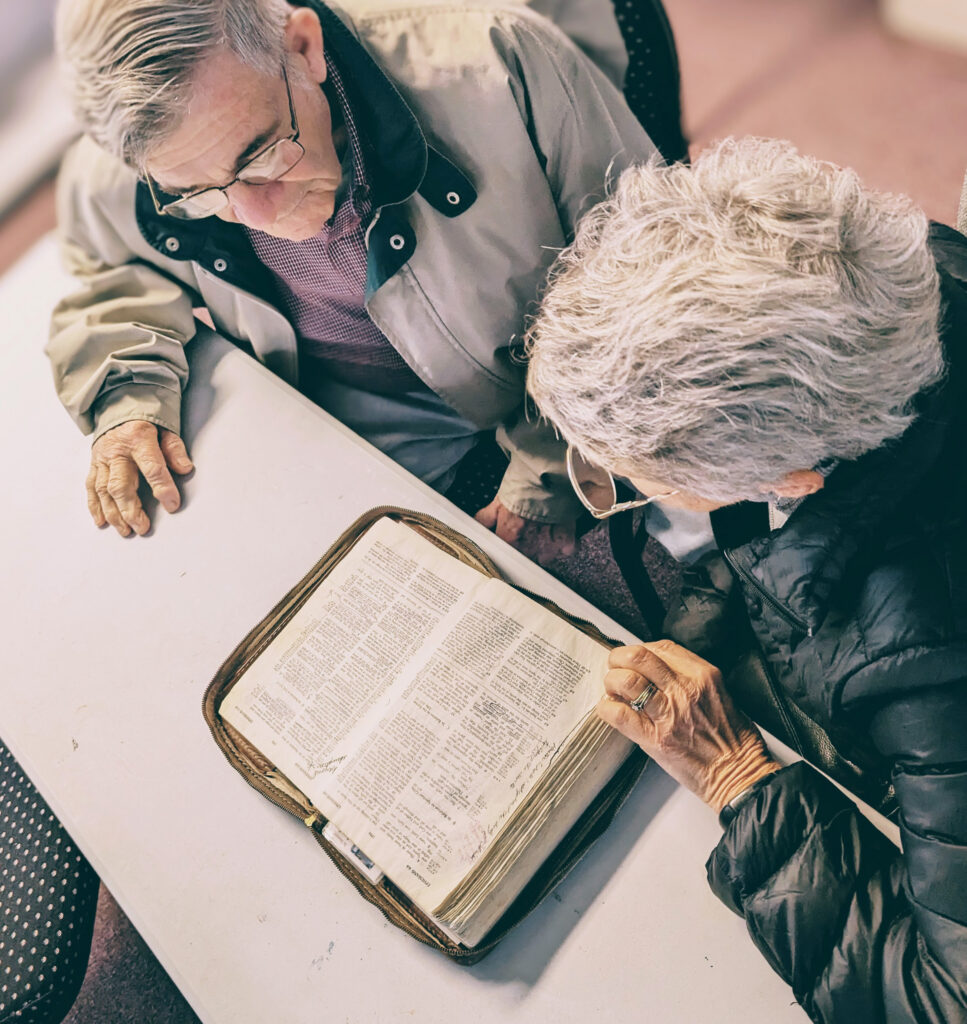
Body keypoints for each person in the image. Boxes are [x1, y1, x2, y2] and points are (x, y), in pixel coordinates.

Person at [525, 137, 967, 1021]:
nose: (620, 487)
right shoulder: (913, 273)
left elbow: (937, 999)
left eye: (638, 477)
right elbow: (766, 544)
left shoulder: (926, 667)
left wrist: (740, 783)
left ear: (790, 481)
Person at [48, 0, 658, 561]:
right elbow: (103, 269)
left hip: (557, 409)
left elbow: (650, 282)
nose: (260, 216)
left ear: (305, 47)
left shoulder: (497, 65)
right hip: (356, 444)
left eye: (260, 155)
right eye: (200, 195)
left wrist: (549, 469)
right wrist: (128, 396)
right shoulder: (132, 170)